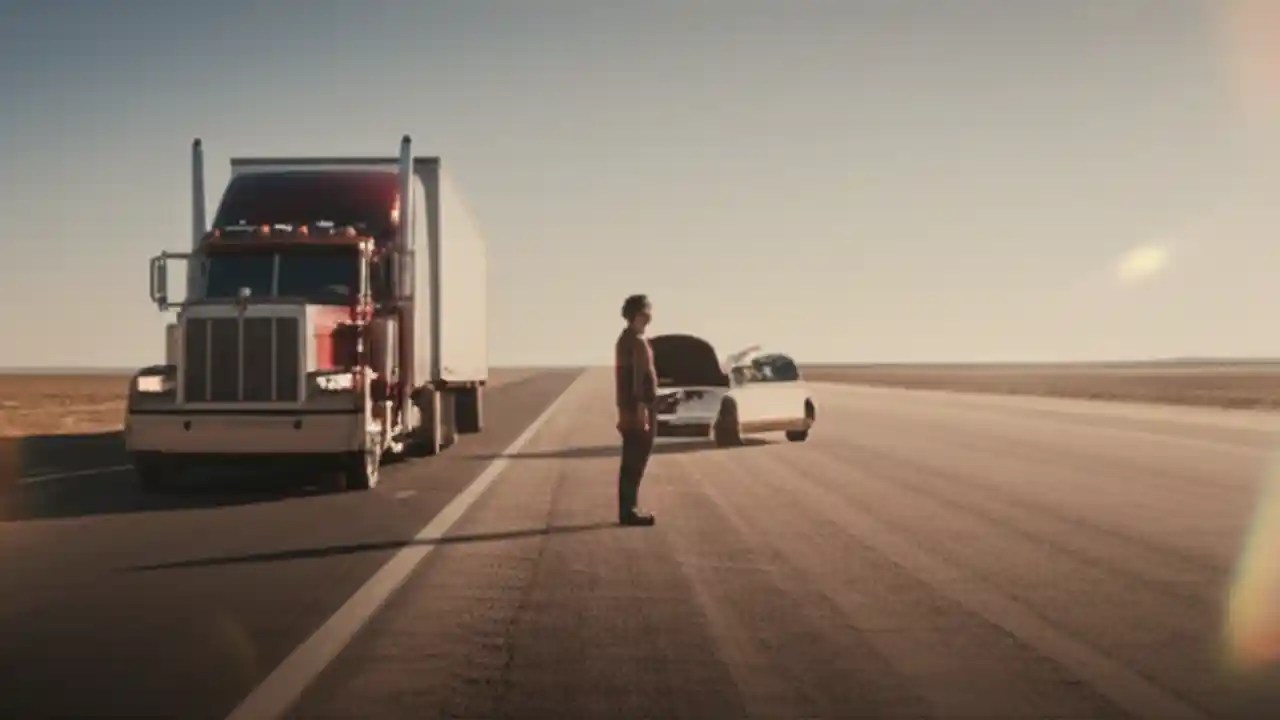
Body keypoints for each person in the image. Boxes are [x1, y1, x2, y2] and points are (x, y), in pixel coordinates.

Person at [615, 293, 658, 526]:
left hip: (632, 408)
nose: (650, 314)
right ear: (639, 313)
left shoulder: (628, 339)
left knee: (632, 460)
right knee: (635, 459)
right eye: (647, 309)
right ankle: (628, 511)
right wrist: (641, 409)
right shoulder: (635, 342)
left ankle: (628, 508)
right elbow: (637, 379)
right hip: (638, 408)